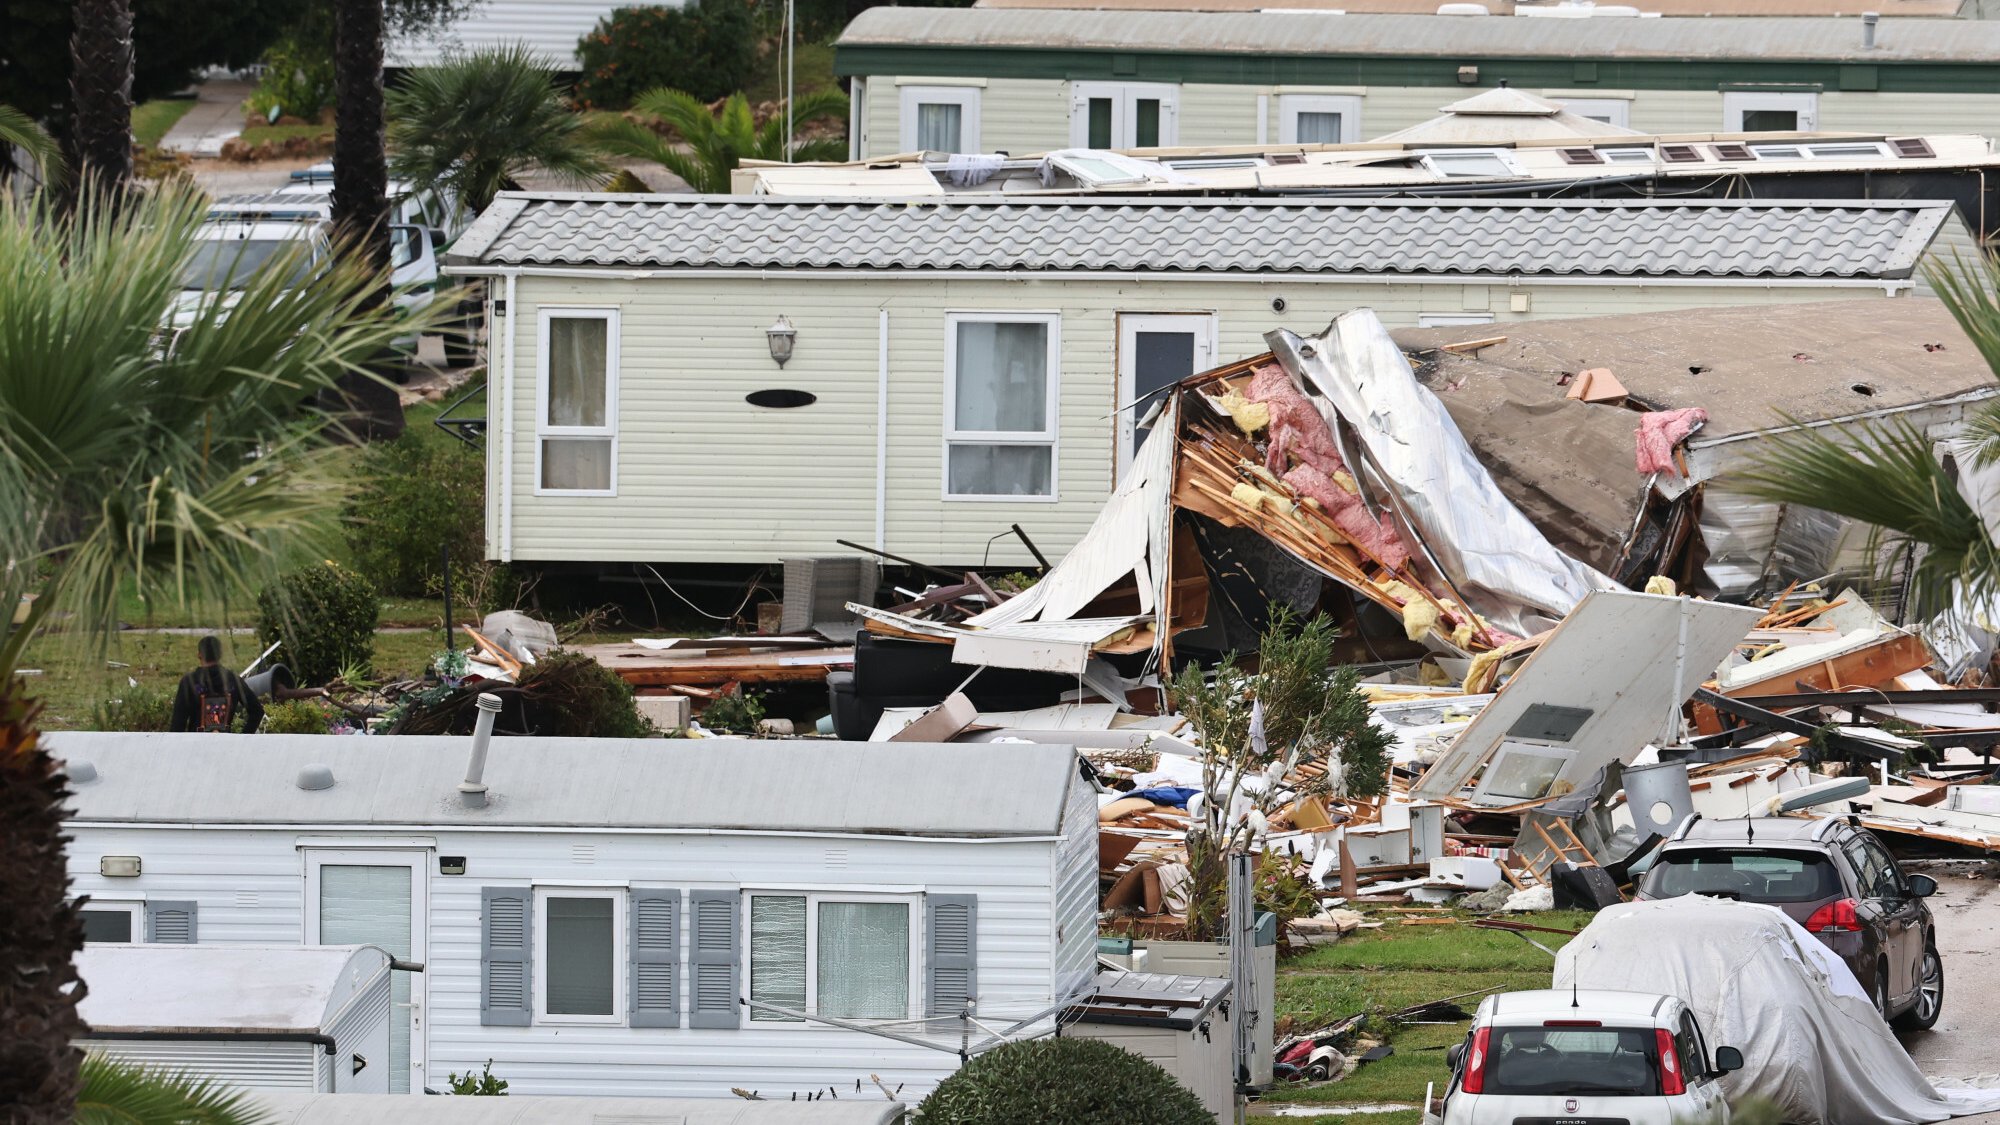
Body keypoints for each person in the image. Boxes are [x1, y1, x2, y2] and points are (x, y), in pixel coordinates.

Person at [168, 635, 265, 733]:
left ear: (199, 655)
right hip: (224, 745)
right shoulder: (233, 680)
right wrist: (241, 738)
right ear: (220, 655)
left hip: (195, 745)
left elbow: (177, 724)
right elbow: (257, 711)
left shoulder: (189, 682)